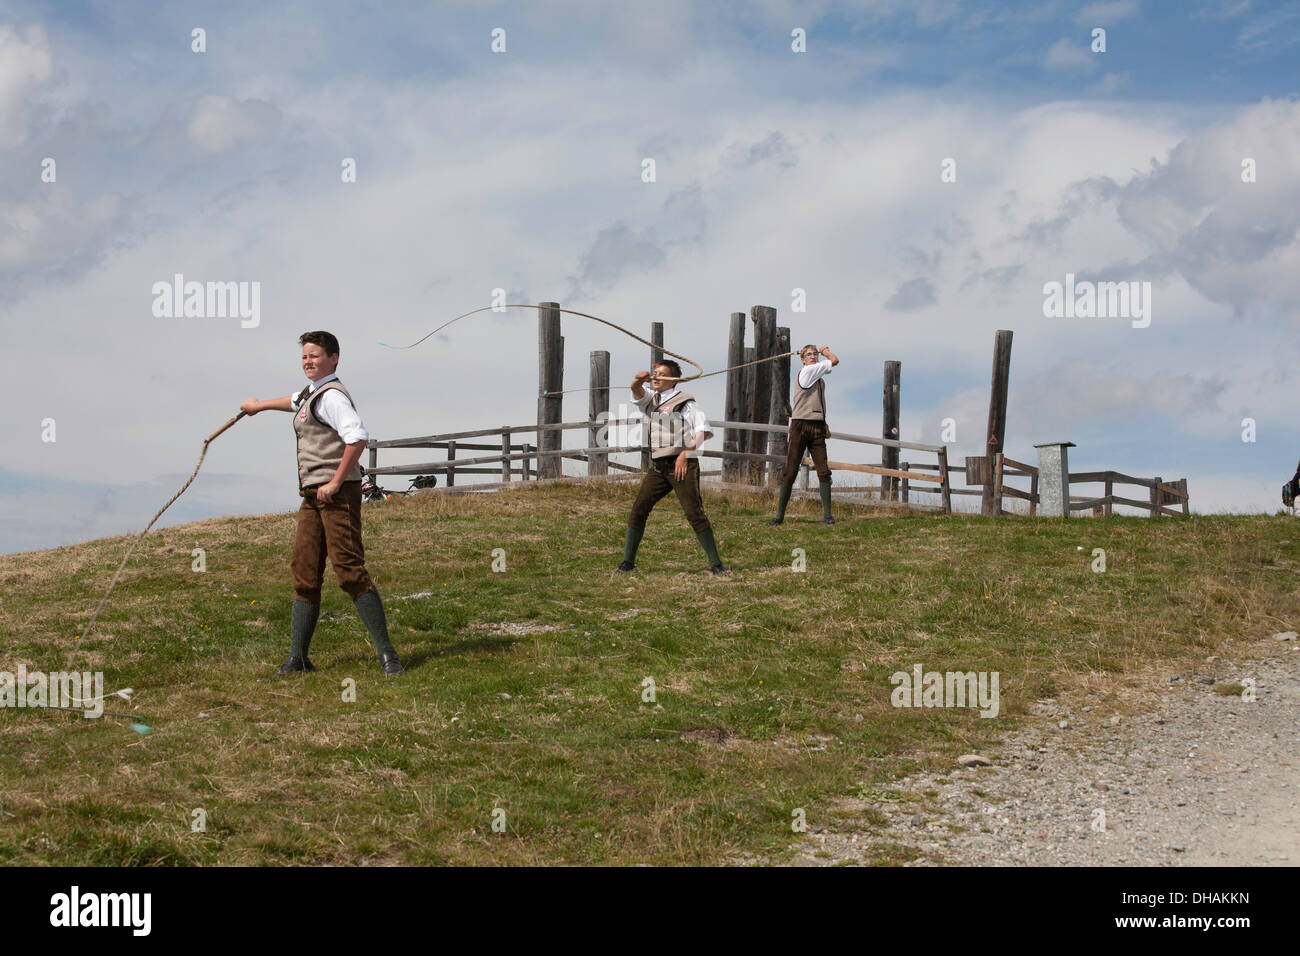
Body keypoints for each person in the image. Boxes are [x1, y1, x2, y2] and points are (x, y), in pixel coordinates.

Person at [239, 331, 403, 676]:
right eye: (304, 357)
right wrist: (257, 407)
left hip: (337, 494)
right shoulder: (312, 394)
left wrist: (335, 481)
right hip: (312, 498)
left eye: (315, 356)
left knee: (349, 571)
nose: (308, 362)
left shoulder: (333, 398)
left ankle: (389, 656)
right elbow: (294, 400)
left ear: (334, 358)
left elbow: (357, 437)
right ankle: (298, 659)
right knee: (305, 572)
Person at [616, 361, 728, 575]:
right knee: (639, 510)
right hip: (658, 467)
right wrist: (638, 380)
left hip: (682, 464)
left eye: (662, 375)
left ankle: (716, 564)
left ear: (673, 380)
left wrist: (685, 454)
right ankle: (627, 563)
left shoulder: (686, 402)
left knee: (694, 513)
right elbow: (636, 391)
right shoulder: (651, 398)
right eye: (655, 374)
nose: (656, 377)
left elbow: (702, 430)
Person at [767, 344, 839, 526]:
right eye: (809, 354)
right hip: (800, 425)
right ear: (803, 359)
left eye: (815, 354)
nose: (814, 357)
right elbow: (834, 361)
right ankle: (779, 516)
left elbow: (819, 402)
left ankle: (828, 515)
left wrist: (824, 423)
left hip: (817, 426)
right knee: (790, 471)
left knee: (823, 470)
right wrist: (825, 352)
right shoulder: (807, 372)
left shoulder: (819, 378)